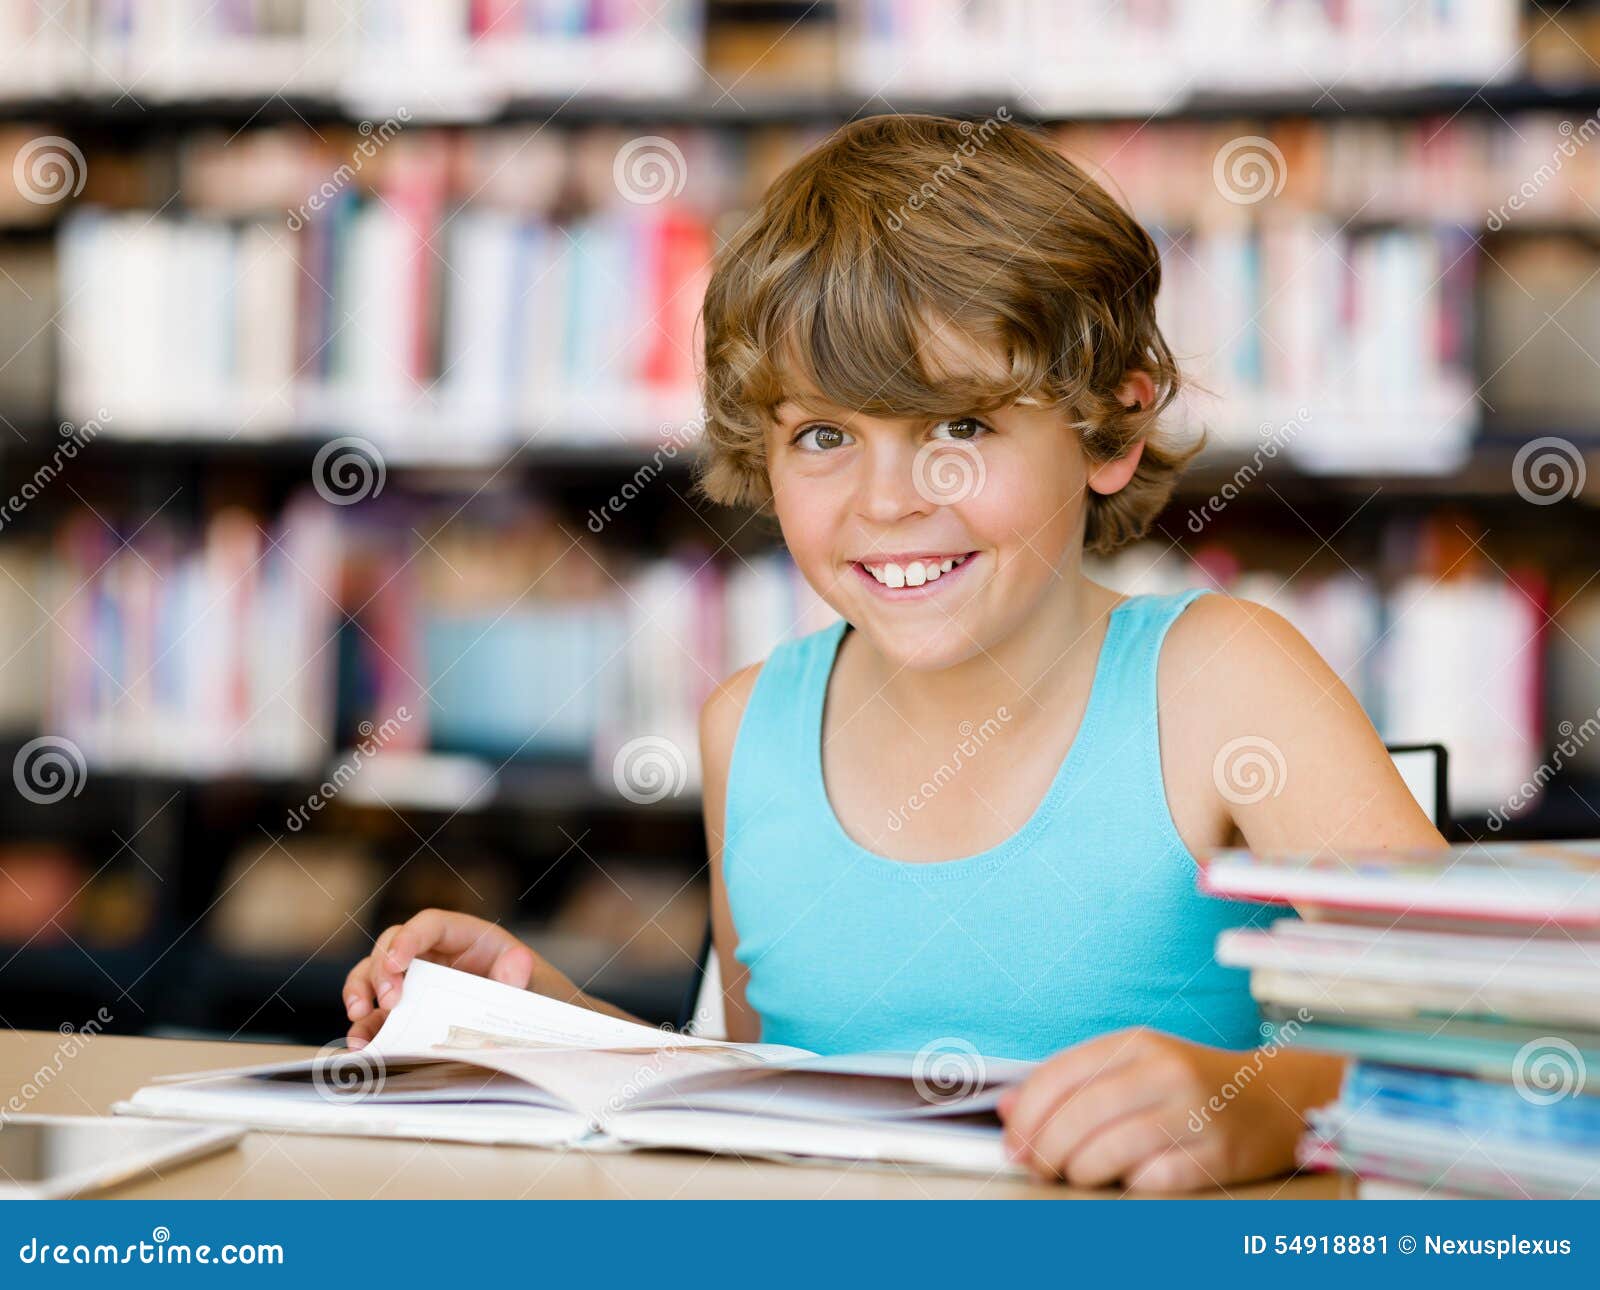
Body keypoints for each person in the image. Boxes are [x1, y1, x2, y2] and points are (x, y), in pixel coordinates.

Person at [340, 114, 1444, 1191]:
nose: (887, 501)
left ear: (1112, 427)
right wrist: (539, 1018)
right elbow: (771, 1094)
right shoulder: (749, 725)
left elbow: (1481, 1038)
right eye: (823, 437)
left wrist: (1254, 1104)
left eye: (958, 428)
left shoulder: (1222, 683)